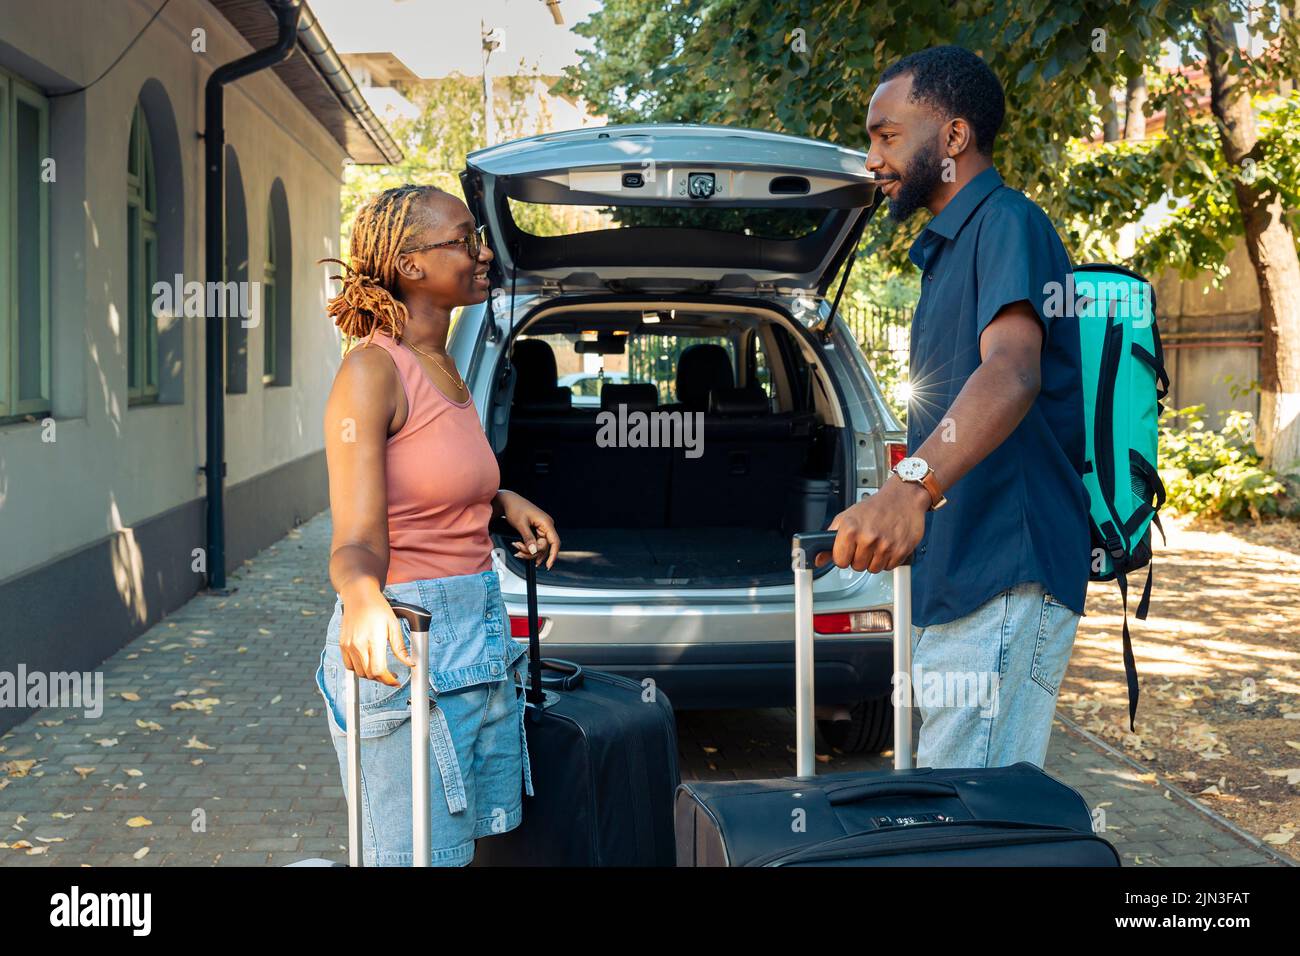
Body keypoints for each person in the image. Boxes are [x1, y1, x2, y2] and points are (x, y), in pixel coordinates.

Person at [816, 46, 1089, 770]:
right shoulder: (951, 248)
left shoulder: (1006, 224)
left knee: (971, 822)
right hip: (959, 578)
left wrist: (910, 486)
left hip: (1005, 570)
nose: (872, 157)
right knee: (949, 810)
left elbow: (1012, 372)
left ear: (955, 139)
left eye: (887, 135)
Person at [312, 182, 560, 865]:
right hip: (405, 637)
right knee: (410, 857)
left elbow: (426, 476)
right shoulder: (371, 371)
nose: (482, 254)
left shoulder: (442, 365)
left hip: (476, 630)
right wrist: (362, 601)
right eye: (464, 240)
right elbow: (357, 535)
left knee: (461, 850)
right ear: (410, 264)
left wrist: (498, 497)